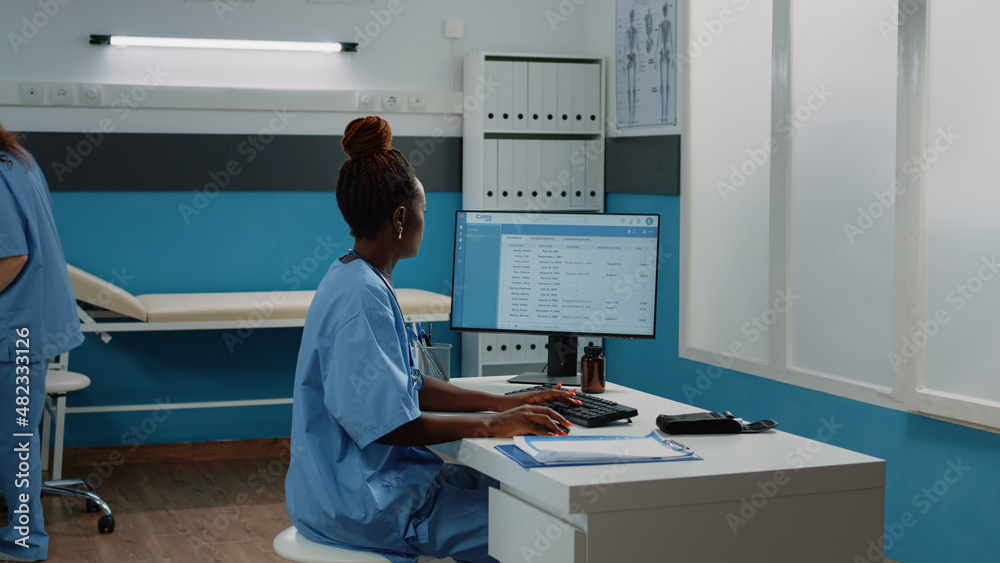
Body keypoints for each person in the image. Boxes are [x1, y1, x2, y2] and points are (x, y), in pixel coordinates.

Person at [285, 116, 579, 563]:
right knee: (553, 535)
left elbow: (406, 383)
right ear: (401, 218)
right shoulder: (363, 296)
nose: (427, 219)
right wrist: (490, 425)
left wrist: (501, 405)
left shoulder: (350, 274)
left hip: (350, 486)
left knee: (517, 494)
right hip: (366, 504)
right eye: (424, 209)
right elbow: (391, 424)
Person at [0, 122, 83, 561]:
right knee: (16, 433)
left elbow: (11, 255)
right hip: (27, 324)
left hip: (16, 329)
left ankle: (26, 540)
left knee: (14, 436)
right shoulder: (17, 160)